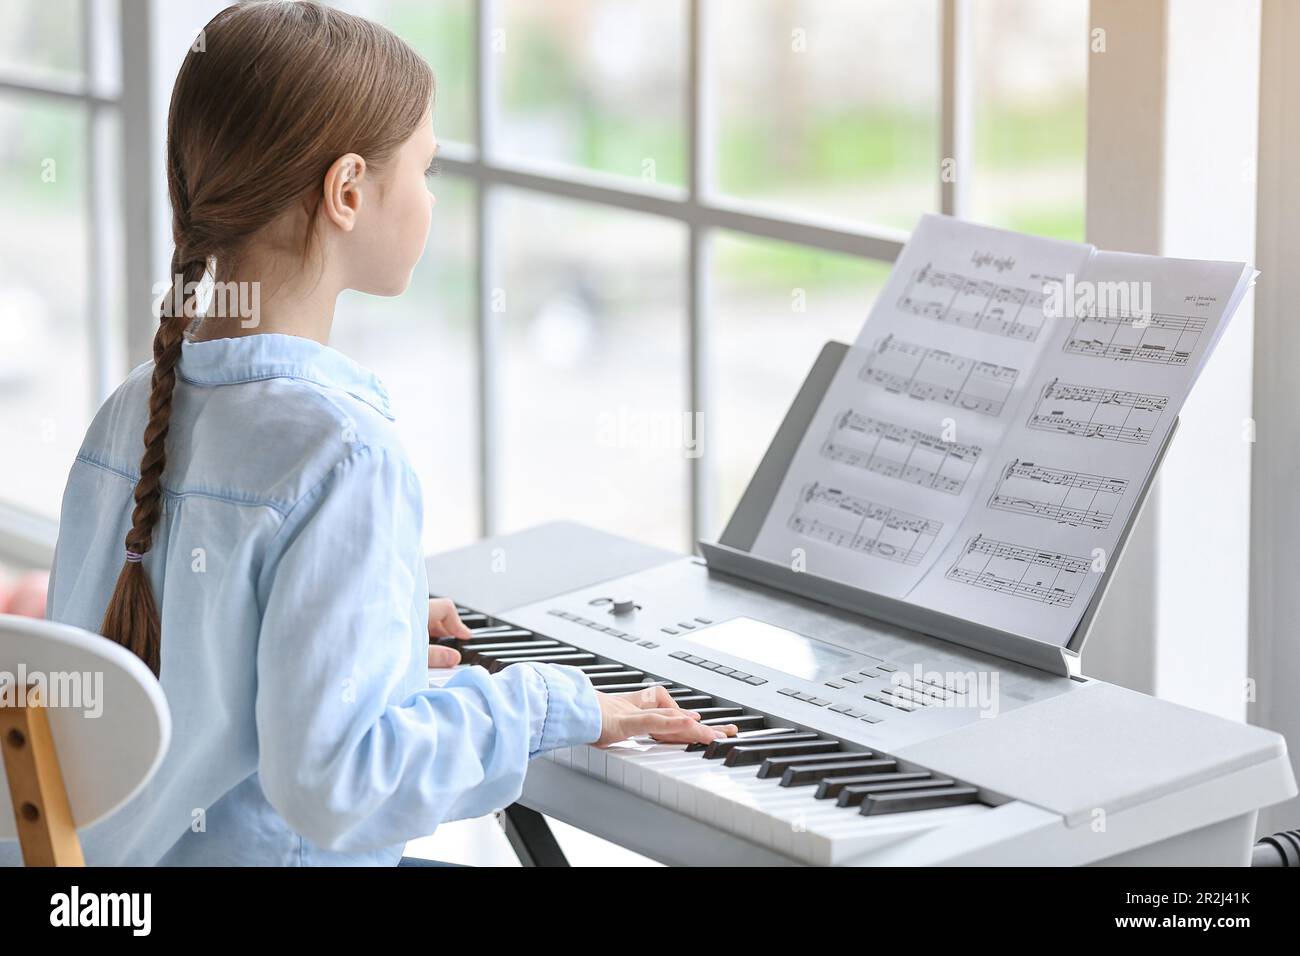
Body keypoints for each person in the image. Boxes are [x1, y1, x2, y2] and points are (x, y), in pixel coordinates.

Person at [13, 1, 733, 866]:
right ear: (347, 191)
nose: (431, 198)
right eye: (425, 169)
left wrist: (366, 639)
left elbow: (163, 671)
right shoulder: (341, 451)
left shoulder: (130, 409)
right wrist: (546, 705)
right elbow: (341, 787)